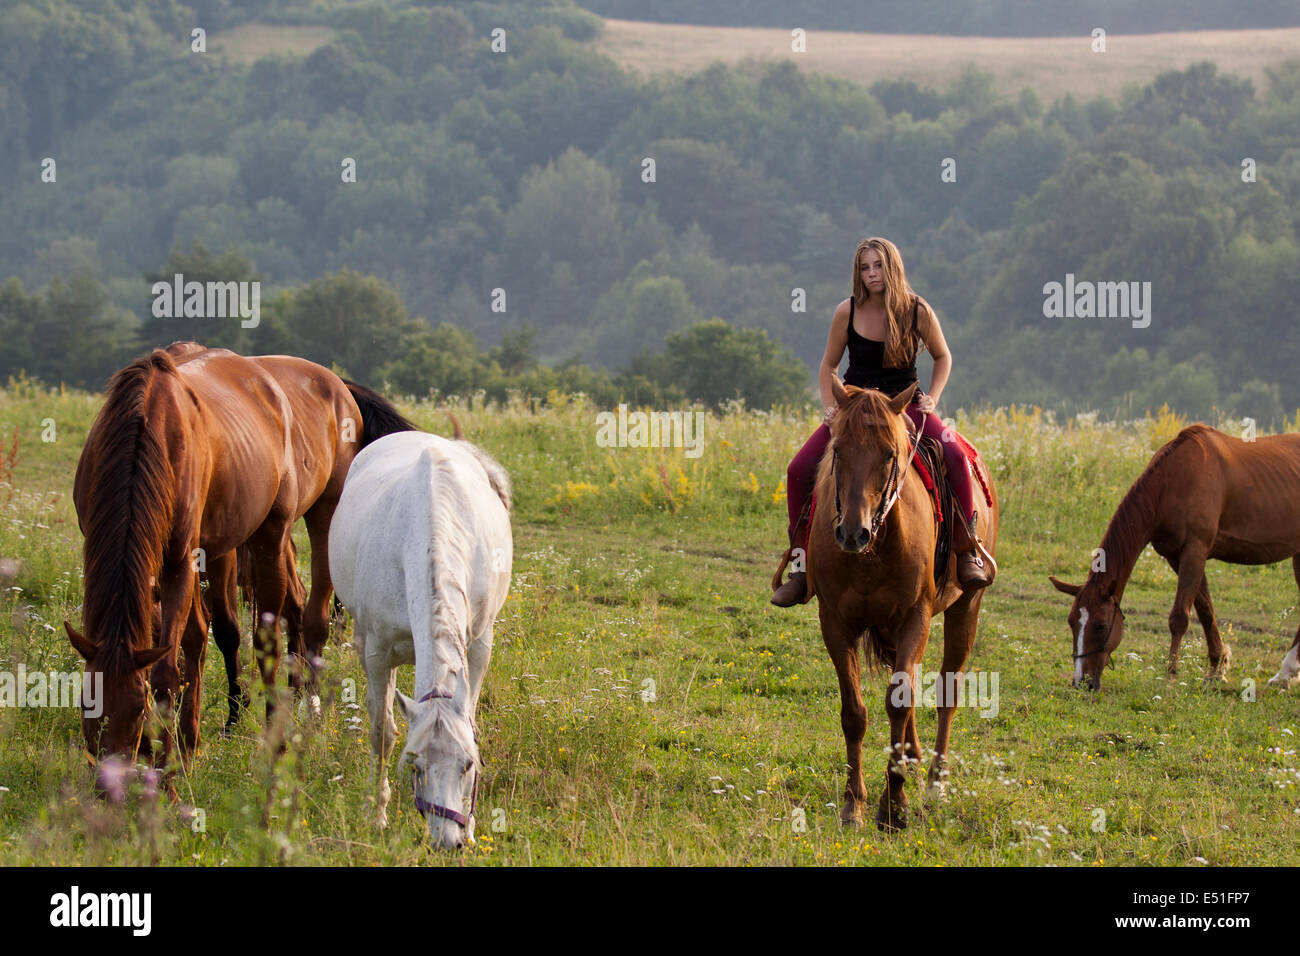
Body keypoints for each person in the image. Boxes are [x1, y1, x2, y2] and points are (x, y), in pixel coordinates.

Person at [771, 236, 995, 606]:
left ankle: (965, 551)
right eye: (864, 267)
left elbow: (943, 357)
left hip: (902, 405)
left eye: (878, 265)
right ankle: (800, 564)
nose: (872, 273)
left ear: (892, 267)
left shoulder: (917, 310)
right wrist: (832, 408)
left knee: (955, 456)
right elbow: (828, 366)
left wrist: (933, 398)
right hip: (855, 408)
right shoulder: (847, 311)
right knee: (798, 469)